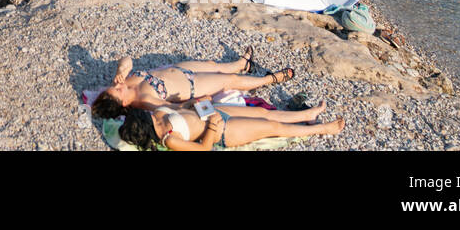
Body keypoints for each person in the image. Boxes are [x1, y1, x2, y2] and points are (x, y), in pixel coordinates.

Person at [90, 51, 295, 117]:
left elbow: (126, 59)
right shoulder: (144, 101)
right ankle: (270, 79)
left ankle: (241, 64)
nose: (118, 85)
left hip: (179, 69)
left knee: (212, 64)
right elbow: (172, 108)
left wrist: (120, 71)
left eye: (114, 86)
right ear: (123, 103)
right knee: (229, 81)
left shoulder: (123, 82)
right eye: (118, 90)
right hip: (193, 85)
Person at [117, 103, 343, 152]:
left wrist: (198, 103)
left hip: (210, 109)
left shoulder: (157, 114)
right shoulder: (170, 139)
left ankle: (308, 114)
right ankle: (323, 129)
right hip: (221, 129)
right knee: (271, 126)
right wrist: (213, 131)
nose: (152, 114)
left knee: (263, 113)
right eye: (148, 117)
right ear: (146, 127)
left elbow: (179, 106)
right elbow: (204, 149)